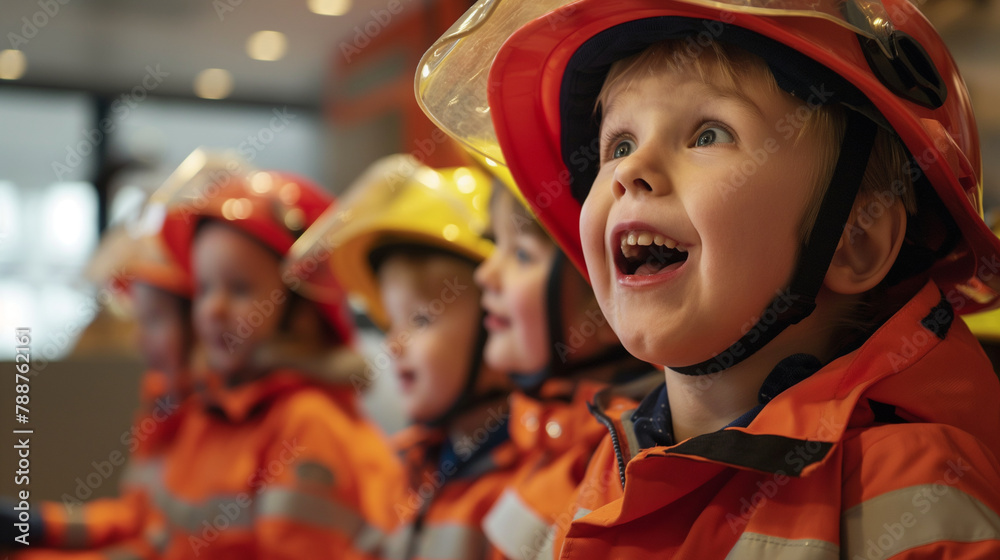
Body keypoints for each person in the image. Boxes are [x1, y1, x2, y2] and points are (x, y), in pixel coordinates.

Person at [415, 0, 1000, 557]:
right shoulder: (602, 468)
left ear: (855, 241)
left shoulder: (915, 488)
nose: (630, 172)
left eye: (707, 135)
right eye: (617, 144)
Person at [287, 154, 518, 559]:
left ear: (498, 317)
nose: (394, 344)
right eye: (390, 323)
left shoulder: (526, 481)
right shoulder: (412, 466)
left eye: (422, 319)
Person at [469, 159, 654, 559]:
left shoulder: (625, 463)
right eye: (493, 244)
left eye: (520, 254)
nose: (484, 274)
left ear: (608, 299)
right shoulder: (547, 443)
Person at [8, 228, 195, 556]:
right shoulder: (170, 406)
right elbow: (139, 519)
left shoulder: (220, 417)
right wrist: (38, 524)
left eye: (153, 320)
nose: (139, 339)